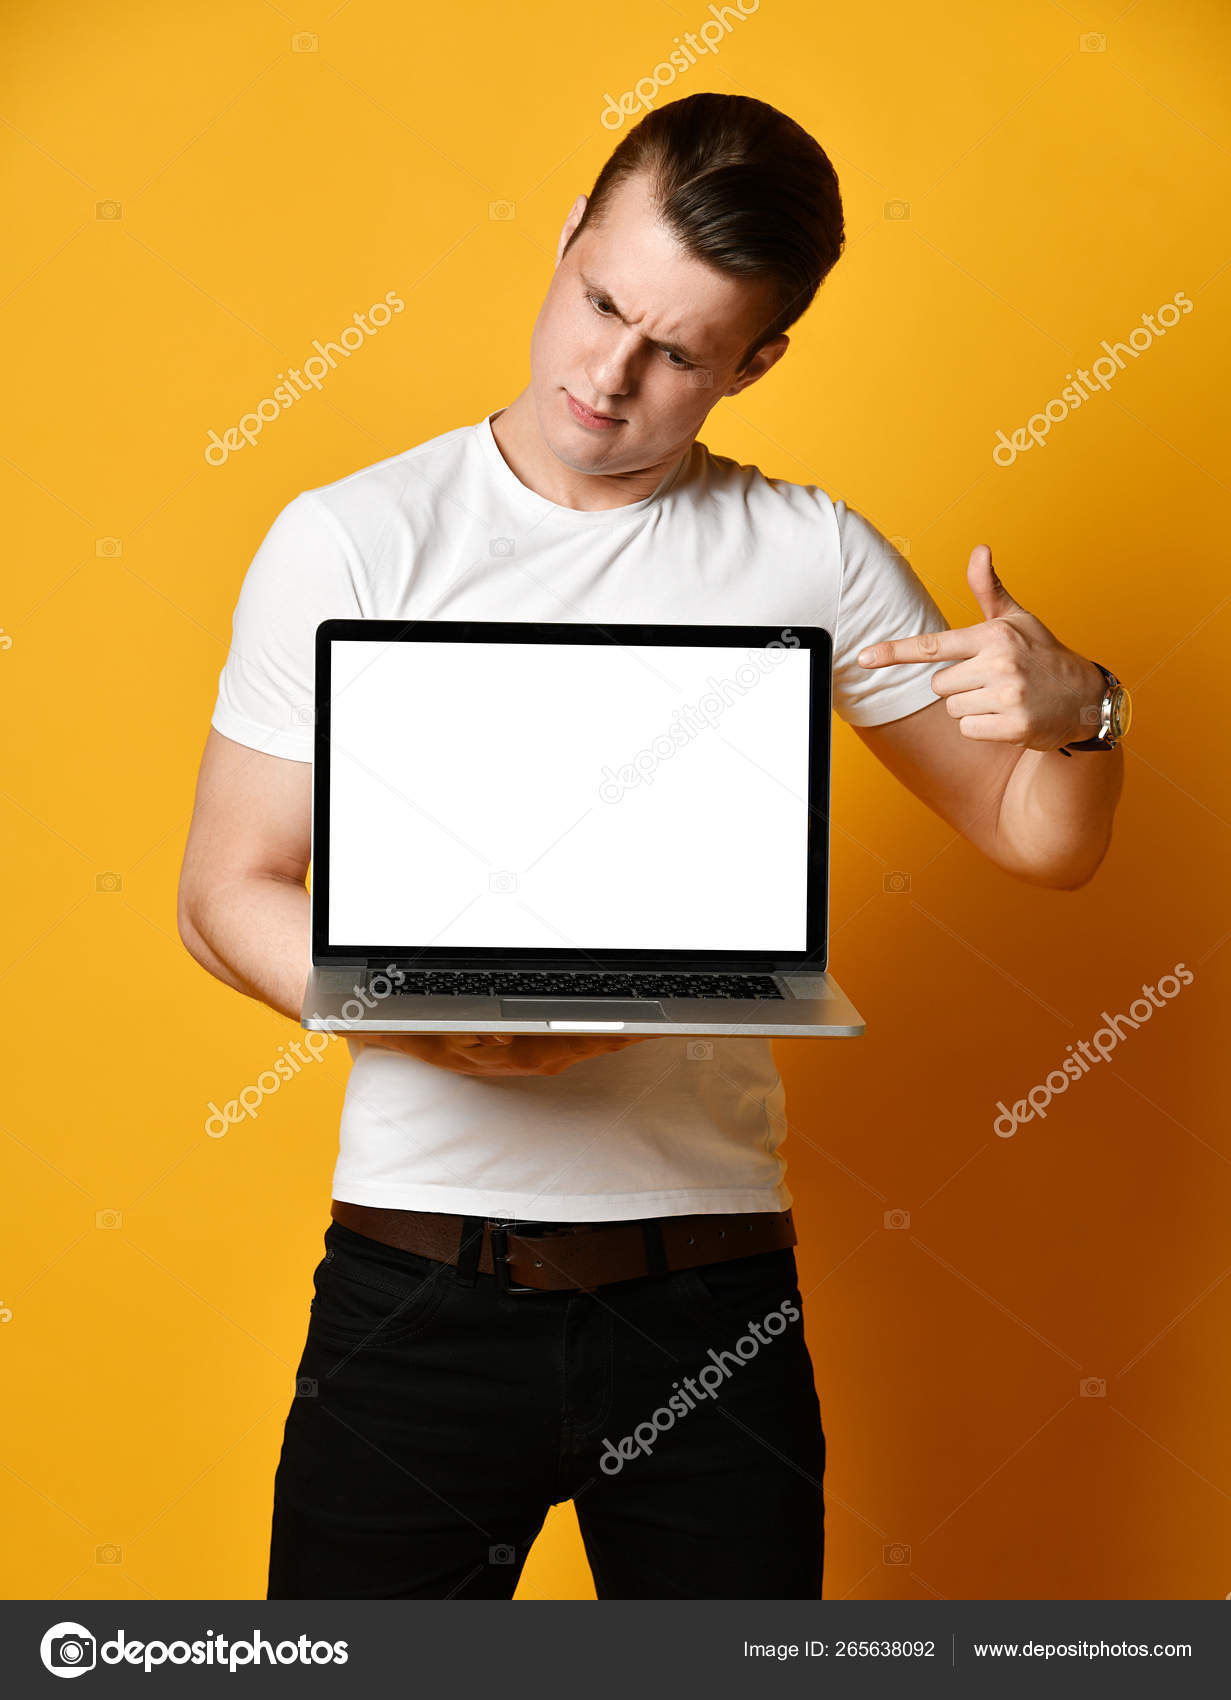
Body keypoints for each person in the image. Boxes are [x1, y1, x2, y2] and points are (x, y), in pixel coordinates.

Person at [177, 92, 1124, 1601]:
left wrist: (1086, 717)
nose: (606, 375)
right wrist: (431, 1012)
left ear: (758, 362)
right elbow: (224, 889)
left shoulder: (803, 553)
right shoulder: (353, 539)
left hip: (714, 1305)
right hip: (414, 1292)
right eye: (601, 300)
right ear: (566, 241)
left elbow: (1038, 842)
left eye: (677, 350)